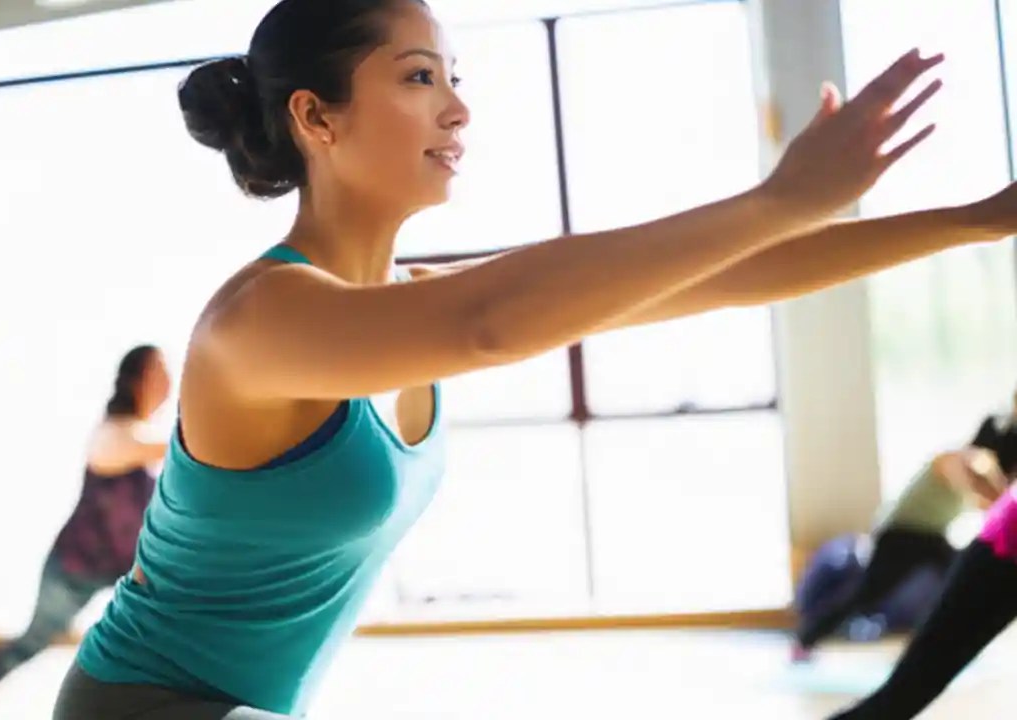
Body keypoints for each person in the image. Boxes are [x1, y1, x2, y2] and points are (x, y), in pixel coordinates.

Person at [52, 1, 1017, 717]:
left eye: (454, 77)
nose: (459, 109)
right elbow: (492, 322)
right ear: (316, 118)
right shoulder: (260, 320)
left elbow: (727, 277)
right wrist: (779, 195)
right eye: (420, 77)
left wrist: (976, 221)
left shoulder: (408, 299)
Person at [0, 345, 171, 719]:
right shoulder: (112, 434)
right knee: (36, 639)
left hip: (127, 567)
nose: (169, 381)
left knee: (163, 628)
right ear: (137, 380)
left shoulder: (140, 436)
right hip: (76, 565)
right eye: (160, 371)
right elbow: (157, 447)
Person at [792, 406, 1017, 660]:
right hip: (901, 534)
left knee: (961, 581)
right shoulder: (959, 459)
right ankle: (805, 638)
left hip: (931, 535)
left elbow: (990, 503)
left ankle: (950, 644)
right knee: (867, 594)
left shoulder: (984, 470)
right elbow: (983, 489)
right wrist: (1001, 491)